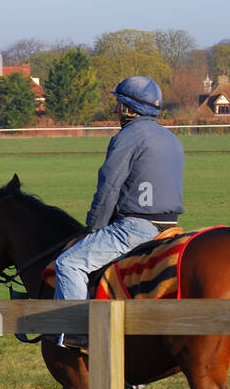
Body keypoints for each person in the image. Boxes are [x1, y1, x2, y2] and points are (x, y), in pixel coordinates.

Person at [54, 76, 184, 349]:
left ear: (130, 110)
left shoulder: (127, 137)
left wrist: (92, 228)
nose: (115, 110)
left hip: (136, 228)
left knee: (69, 264)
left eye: (119, 104)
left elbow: (109, 187)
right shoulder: (171, 137)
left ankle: (78, 333)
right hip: (170, 227)